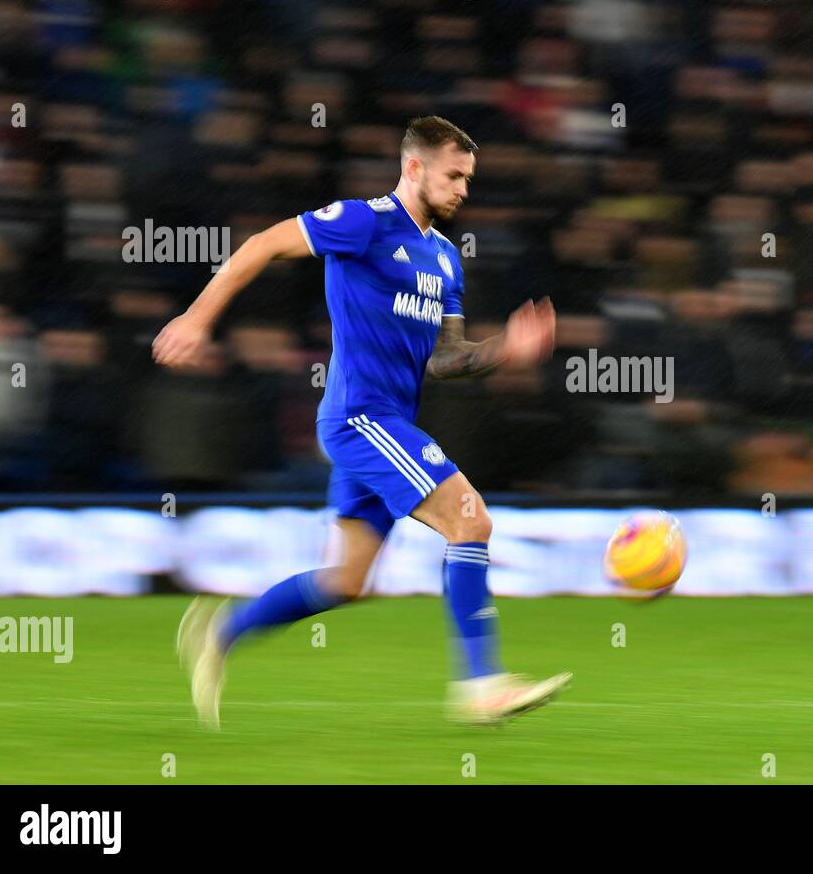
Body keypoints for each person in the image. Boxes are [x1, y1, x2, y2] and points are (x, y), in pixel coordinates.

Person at [154, 116, 570, 728]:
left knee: (345, 581)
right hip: (360, 418)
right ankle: (482, 685)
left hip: (389, 421)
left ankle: (222, 632)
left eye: (469, 179)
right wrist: (196, 319)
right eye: (454, 175)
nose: (463, 190)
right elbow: (263, 244)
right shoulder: (363, 222)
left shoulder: (447, 260)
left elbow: (444, 359)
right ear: (413, 168)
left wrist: (504, 349)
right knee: (470, 518)